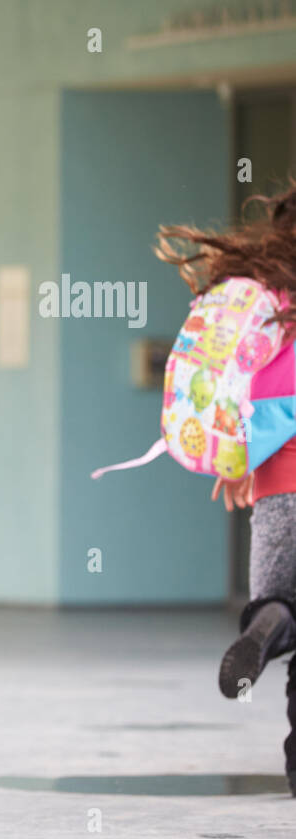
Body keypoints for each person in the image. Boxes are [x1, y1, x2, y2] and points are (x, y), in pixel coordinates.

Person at [158, 185, 296, 795]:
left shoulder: (266, 306)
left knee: (282, 600)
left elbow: (253, 395)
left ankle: (263, 625)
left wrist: (238, 462)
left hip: (274, 489)